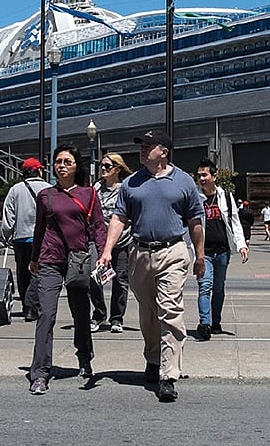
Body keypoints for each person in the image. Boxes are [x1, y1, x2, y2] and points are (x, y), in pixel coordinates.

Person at [98, 129, 205, 403]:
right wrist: (107, 251)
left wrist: (200, 257)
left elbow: (195, 223)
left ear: (164, 151)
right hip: (140, 252)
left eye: (148, 146)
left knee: (170, 311)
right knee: (147, 313)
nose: (143, 150)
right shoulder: (132, 183)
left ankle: (169, 375)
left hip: (172, 251)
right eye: (141, 146)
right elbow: (119, 219)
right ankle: (153, 357)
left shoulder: (183, 181)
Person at [28, 145, 106, 396]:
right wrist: (34, 258)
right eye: (58, 161)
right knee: (47, 314)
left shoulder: (88, 193)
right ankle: (39, 373)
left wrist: (104, 256)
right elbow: (39, 228)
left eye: (67, 162)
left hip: (79, 260)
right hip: (50, 259)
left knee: (81, 314)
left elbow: (98, 227)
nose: (61, 165)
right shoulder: (46, 195)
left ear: (76, 166)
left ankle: (84, 358)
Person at [194, 158, 248, 340]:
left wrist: (241, 245)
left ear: (214, 176)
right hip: (203, 252)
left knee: (218, 289)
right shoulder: (195, 197)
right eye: (199, 175)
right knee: (204, 286)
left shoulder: (225, 197)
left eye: (205, 175)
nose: (201, 178)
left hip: (223, 251)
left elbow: (235, 222)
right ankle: (205, 323)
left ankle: (216, 321)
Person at [1, 157, 50, 321]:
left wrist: (4, 238)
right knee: (39, 273)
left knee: (23, 274)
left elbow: (9, 216)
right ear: (38, 170)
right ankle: (33, 307)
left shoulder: (15, 190)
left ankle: (27, 306)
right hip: (43, 239)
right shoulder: (49, 189)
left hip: (21, 238)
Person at [89, 152, 133, 334]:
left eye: (108, 166)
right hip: (99, 241)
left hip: (122, 241)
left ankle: (117, 318)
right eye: (102, 166)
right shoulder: (96, 188)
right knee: (93, 277)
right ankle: (99, 314)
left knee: (120, 280)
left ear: (118, 169)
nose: (104, 169)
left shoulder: (126, 189)